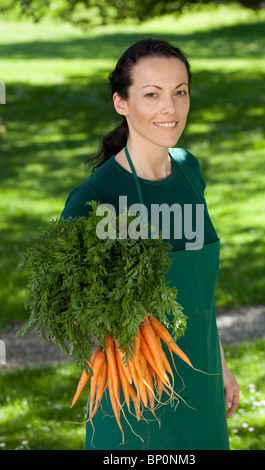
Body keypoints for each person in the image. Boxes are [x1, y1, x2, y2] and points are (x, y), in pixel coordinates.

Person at [60, 38, 239, 450]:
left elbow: (199, 294)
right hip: (135, 397)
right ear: (121, 103)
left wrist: (222, 367)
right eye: (152, 95)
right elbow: (69, 311)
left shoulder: (189, 171)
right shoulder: (96, 198)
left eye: (180, 92)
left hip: (204, 381)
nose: (170, 109)